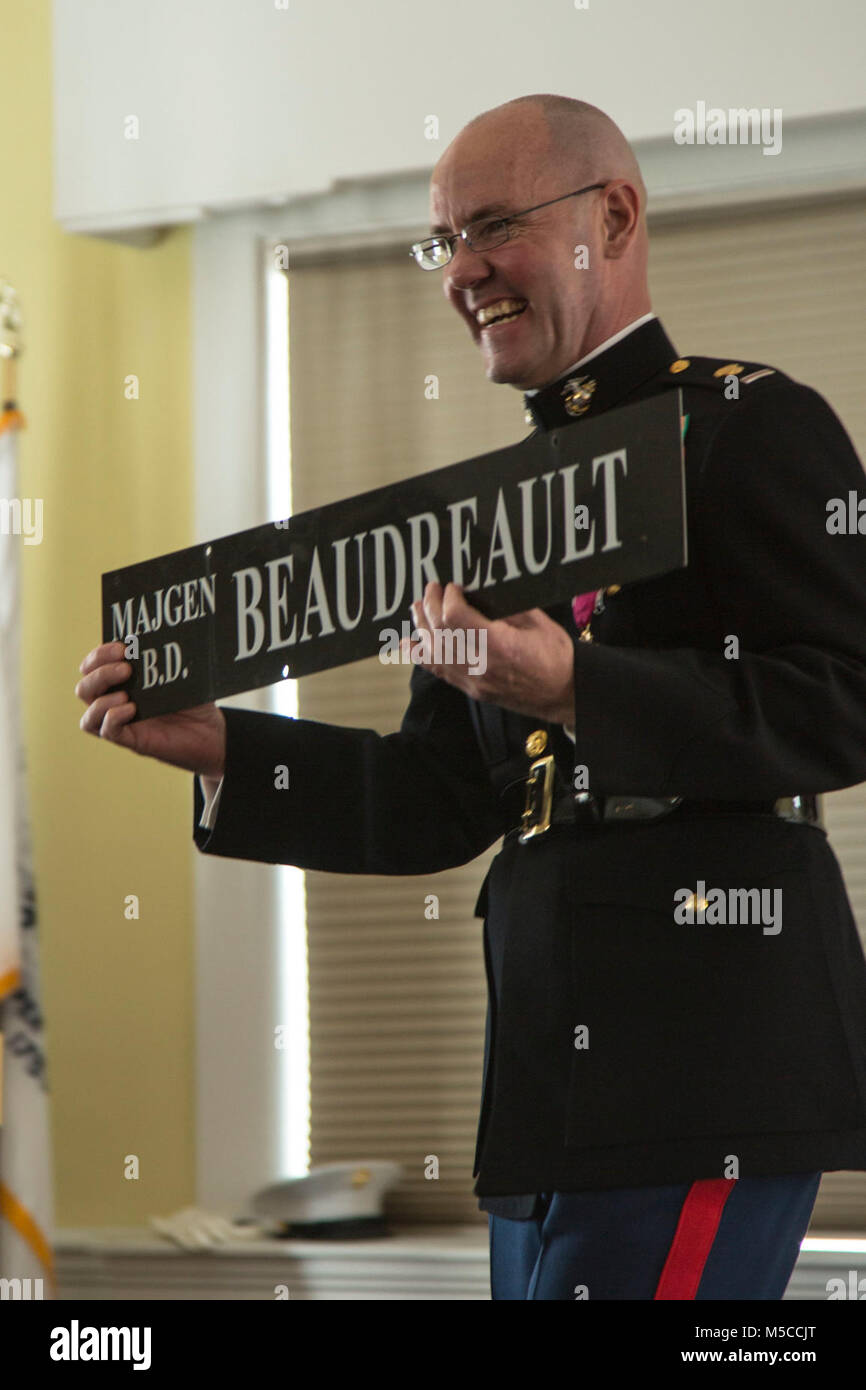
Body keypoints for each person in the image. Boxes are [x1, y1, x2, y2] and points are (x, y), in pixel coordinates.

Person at [76, 94, 866, 1300]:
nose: (463, 271)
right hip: (543, 1090)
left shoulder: (748, 427)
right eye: (443, 240)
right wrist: (222, 748)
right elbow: (432, 800)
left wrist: (573, 683)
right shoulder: (496, 513)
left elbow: (843, 698)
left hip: (704, 1067)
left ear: (613, 214)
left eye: (493, 226)